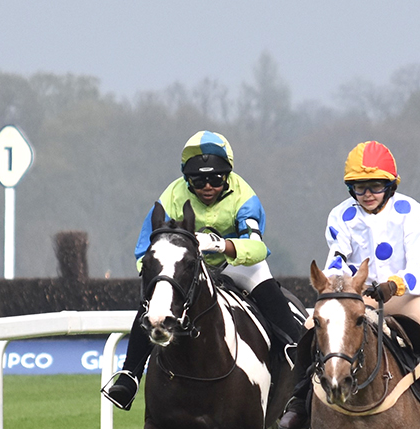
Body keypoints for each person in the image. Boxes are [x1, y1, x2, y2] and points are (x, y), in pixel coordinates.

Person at [276, 140, 420, 429]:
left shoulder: (411, 212)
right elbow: (337, 258)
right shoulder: (341, 215)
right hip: (355, 295)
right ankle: (299, 400)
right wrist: (345, 285)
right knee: (311, 325)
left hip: (401, 294)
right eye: (360, 187)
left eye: (375, 186)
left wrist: (394, 285)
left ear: (390, 186)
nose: (367, 194)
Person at [103, 131, 305, 409]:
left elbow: (257, 248)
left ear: (227, 176)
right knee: (153, 305)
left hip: (238, 265)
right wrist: (158, 276)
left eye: (216, 179)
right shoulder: (172, 195)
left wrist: (222, 245)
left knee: (275, 303)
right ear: (188, 179)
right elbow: (144, 250)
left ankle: (298, 367)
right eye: (198, 180)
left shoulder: (245, 195)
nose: (207, 186)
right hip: (188, 269)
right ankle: (129, 376)